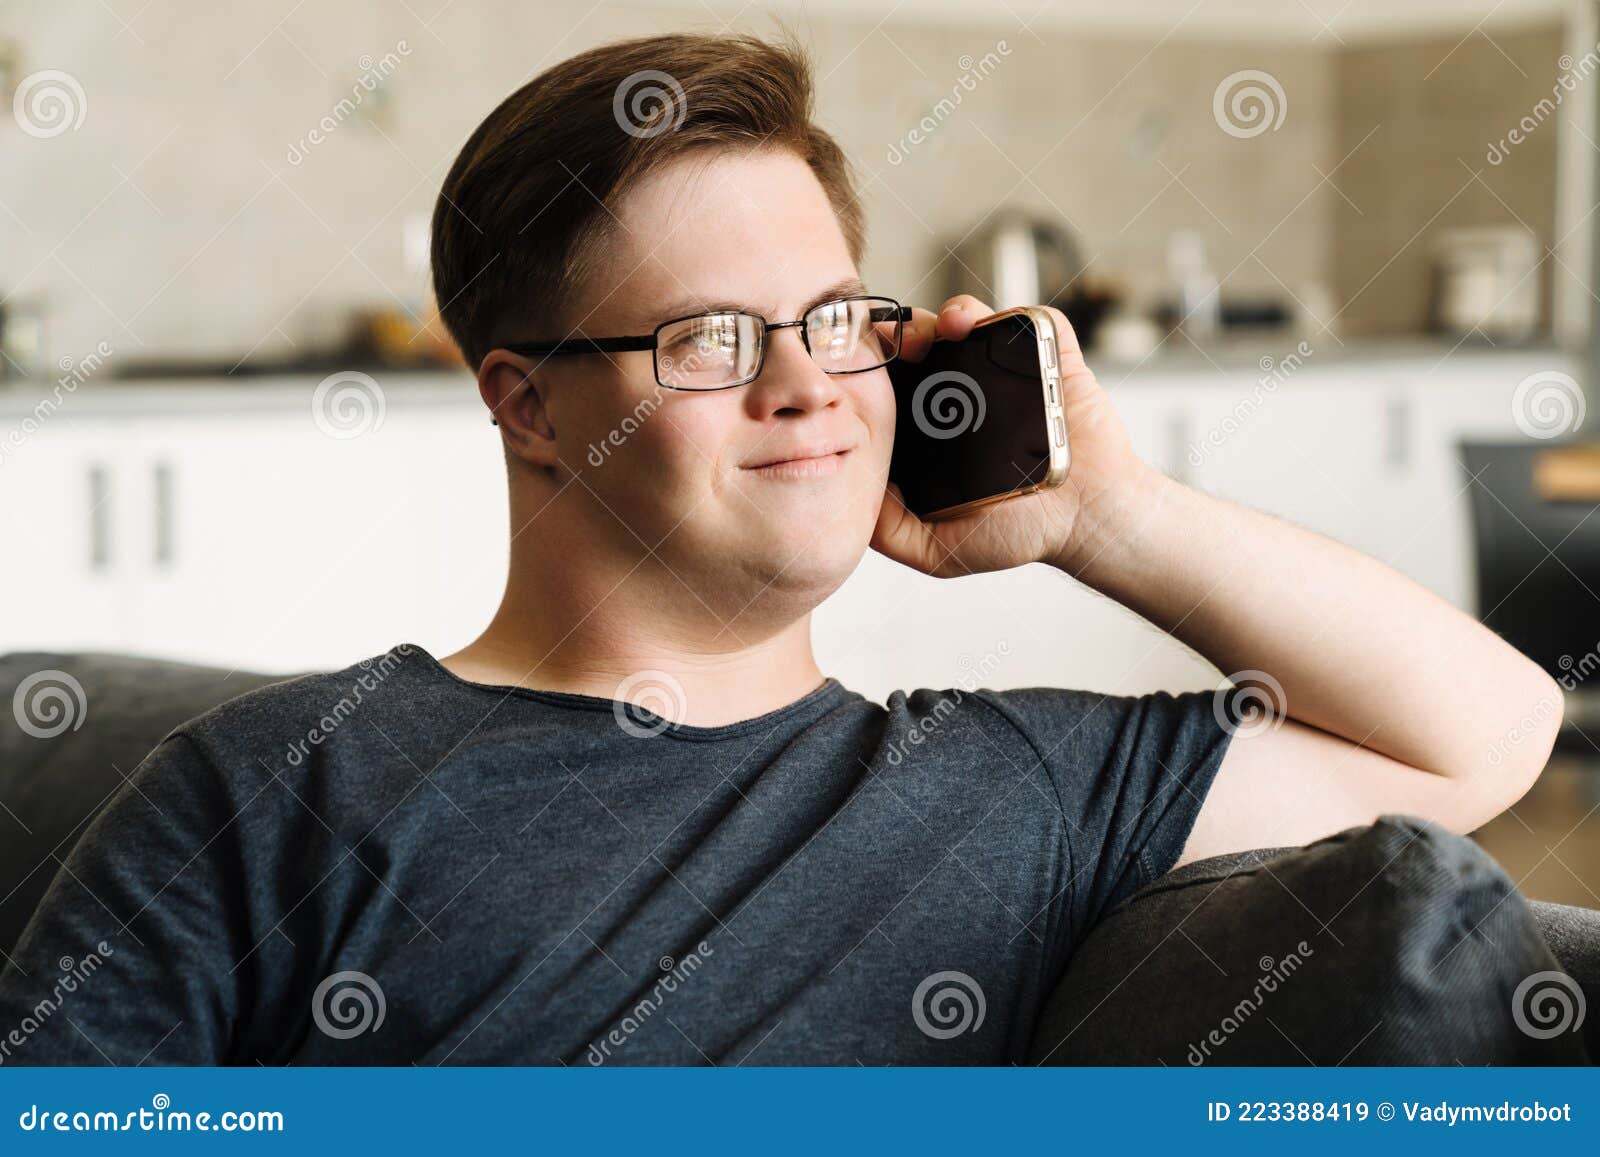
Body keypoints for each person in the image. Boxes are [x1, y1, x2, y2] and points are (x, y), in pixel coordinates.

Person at [0, 30, 1560, 1066]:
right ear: (530, 406)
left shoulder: (1010, 785)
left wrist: (1108, 515)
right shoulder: (269, 786)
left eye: (833, 317)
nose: (809, 380)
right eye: (714, 335)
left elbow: (1489, 734)